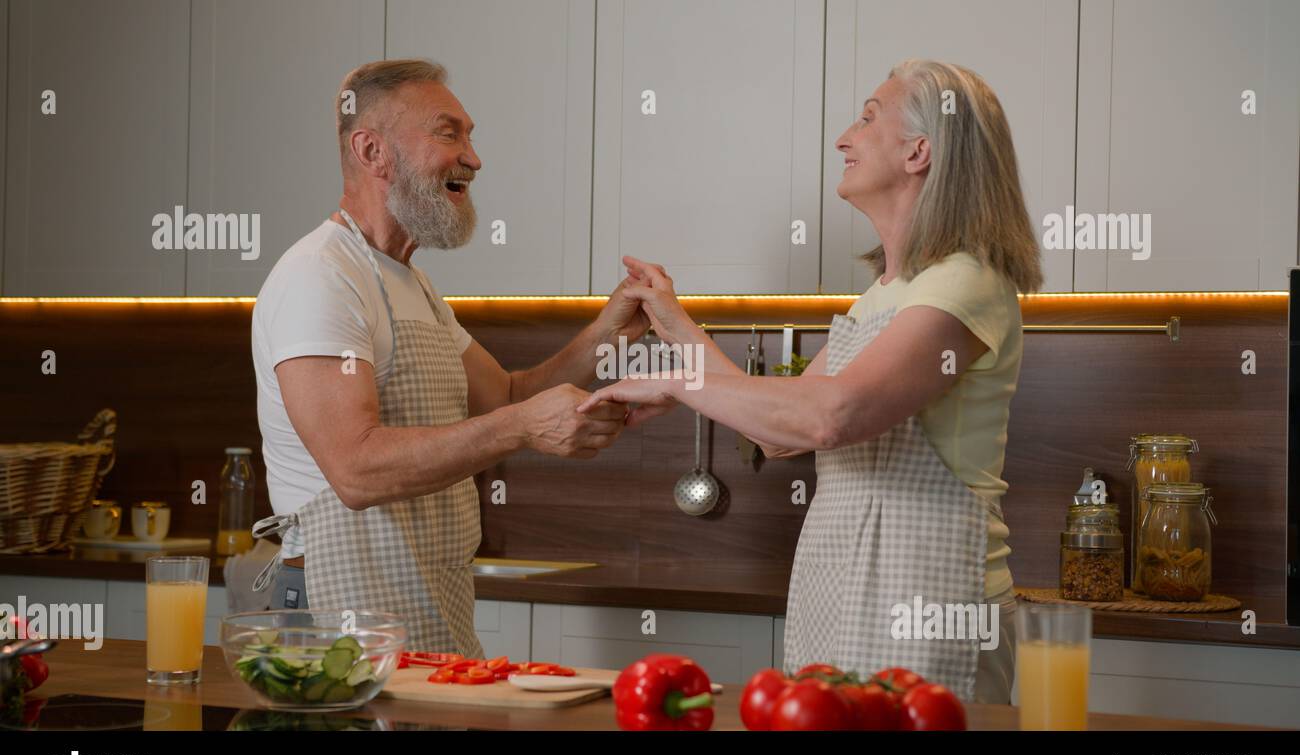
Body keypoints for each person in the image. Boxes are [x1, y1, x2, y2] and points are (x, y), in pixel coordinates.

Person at [580, 59, 1042, 703]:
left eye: (867, 117)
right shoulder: (884, 294)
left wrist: (679, 381)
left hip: (932, 604)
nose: (843, 138)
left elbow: (831, 415)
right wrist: (673, 320)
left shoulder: (967, 281)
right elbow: (782, 433)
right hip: (845, 593)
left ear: (919, 151)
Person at [249, 60, 644, 655]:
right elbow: (355, 470)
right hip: (337, 611)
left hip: (421, 598)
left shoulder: (412, 283)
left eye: (470, 134)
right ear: (372, 150)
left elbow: (510, 396)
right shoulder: (320, 276)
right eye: (448, 132)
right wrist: (523, 429)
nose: (474, 157)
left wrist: (607, 331)